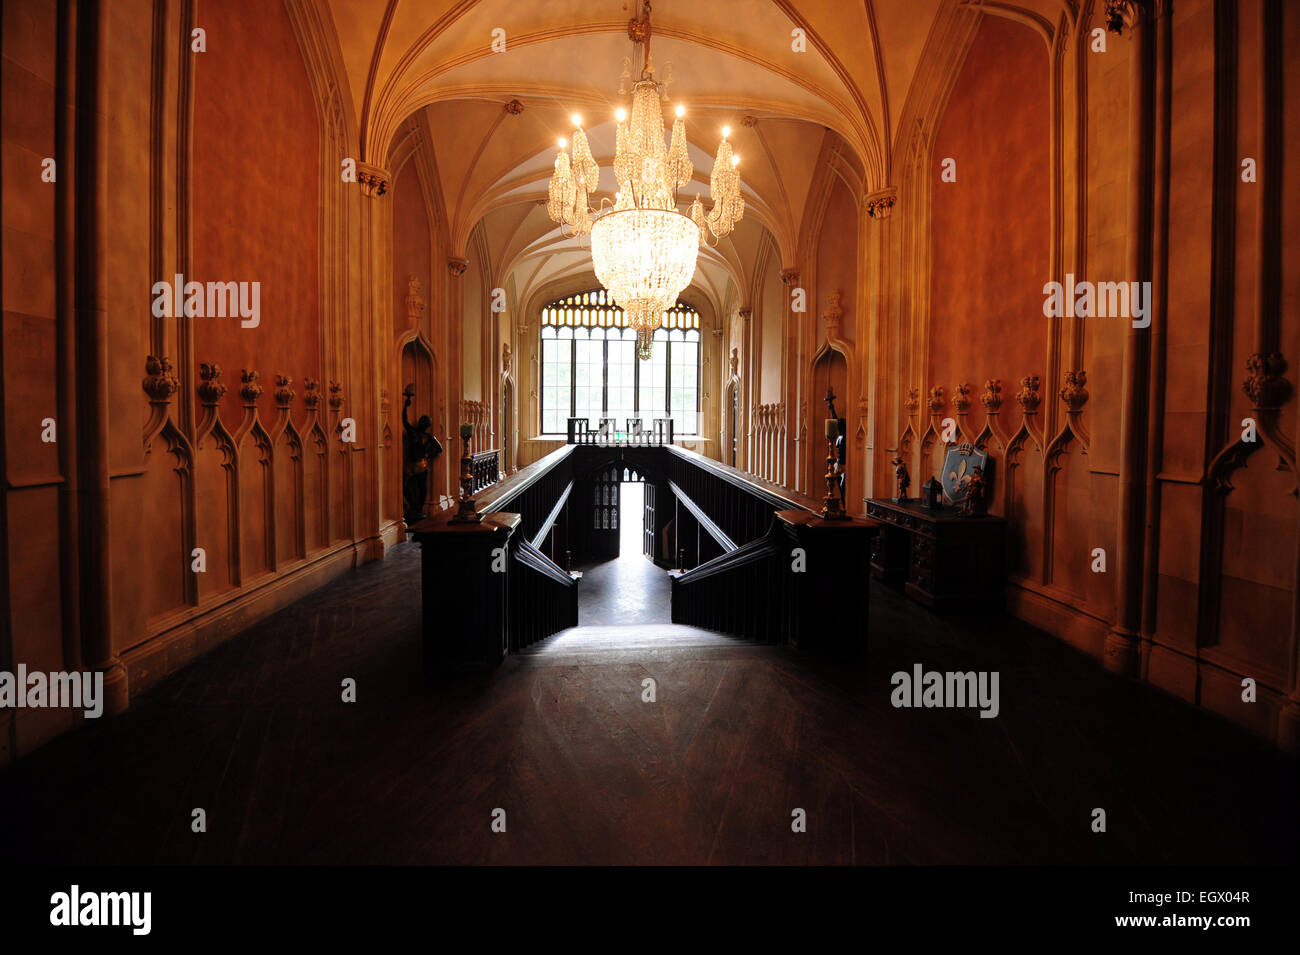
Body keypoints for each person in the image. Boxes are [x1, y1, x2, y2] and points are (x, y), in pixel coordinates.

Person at [402, 387, 443, 523]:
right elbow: (404, 421)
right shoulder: (414, 432)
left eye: (423, 422)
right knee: (408, 487)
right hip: (413, 463)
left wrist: (428, 456)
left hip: (420, 463)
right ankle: (415, 508)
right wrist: (406, 405)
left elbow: (439, 448)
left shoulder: (427, 436)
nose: (421, 423)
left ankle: (418, 509)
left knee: (421, 488)